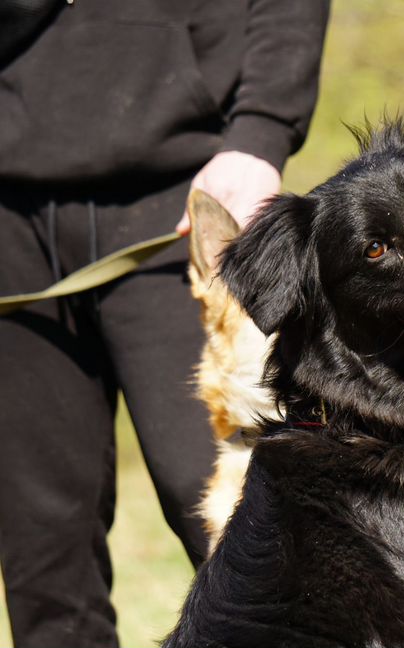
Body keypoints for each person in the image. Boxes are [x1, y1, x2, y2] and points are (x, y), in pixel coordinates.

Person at [0, 1, 329, 646]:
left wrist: (261, 133)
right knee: (44, 549)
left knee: (246, 525)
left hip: (194, 200)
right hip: (8, 211)